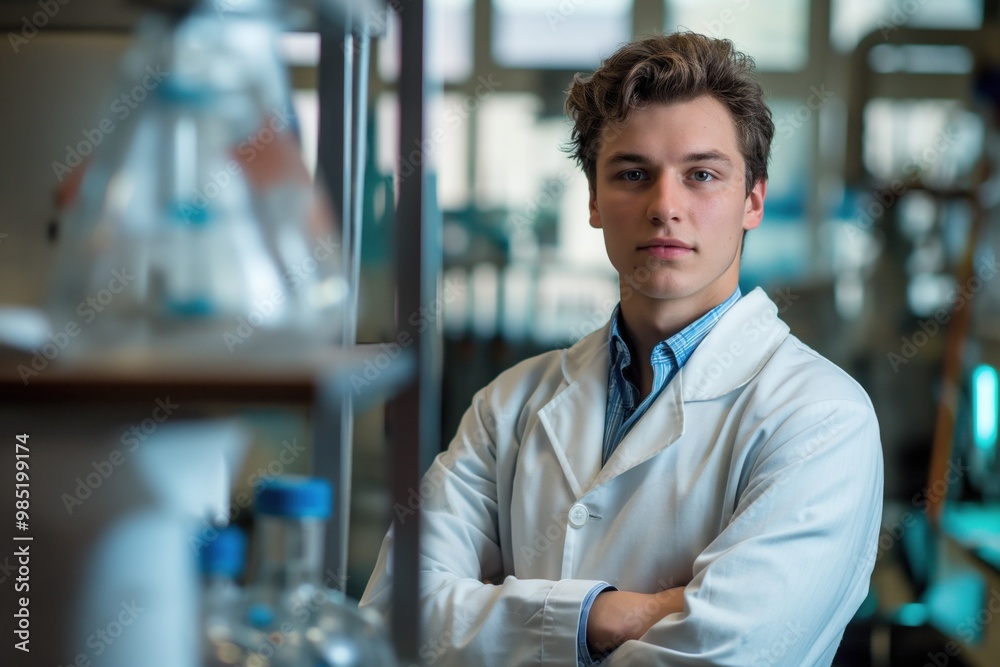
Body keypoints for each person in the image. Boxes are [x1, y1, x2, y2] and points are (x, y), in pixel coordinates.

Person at [361, 31, 883, 666]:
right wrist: (604, 615)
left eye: (702, 175)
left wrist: (502, 618)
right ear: (593, 201)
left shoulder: (823, 418)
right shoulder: (512, 404)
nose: (666, 207)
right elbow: (392, 617)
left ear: (753, 200)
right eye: (633, 174)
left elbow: (728, 654)